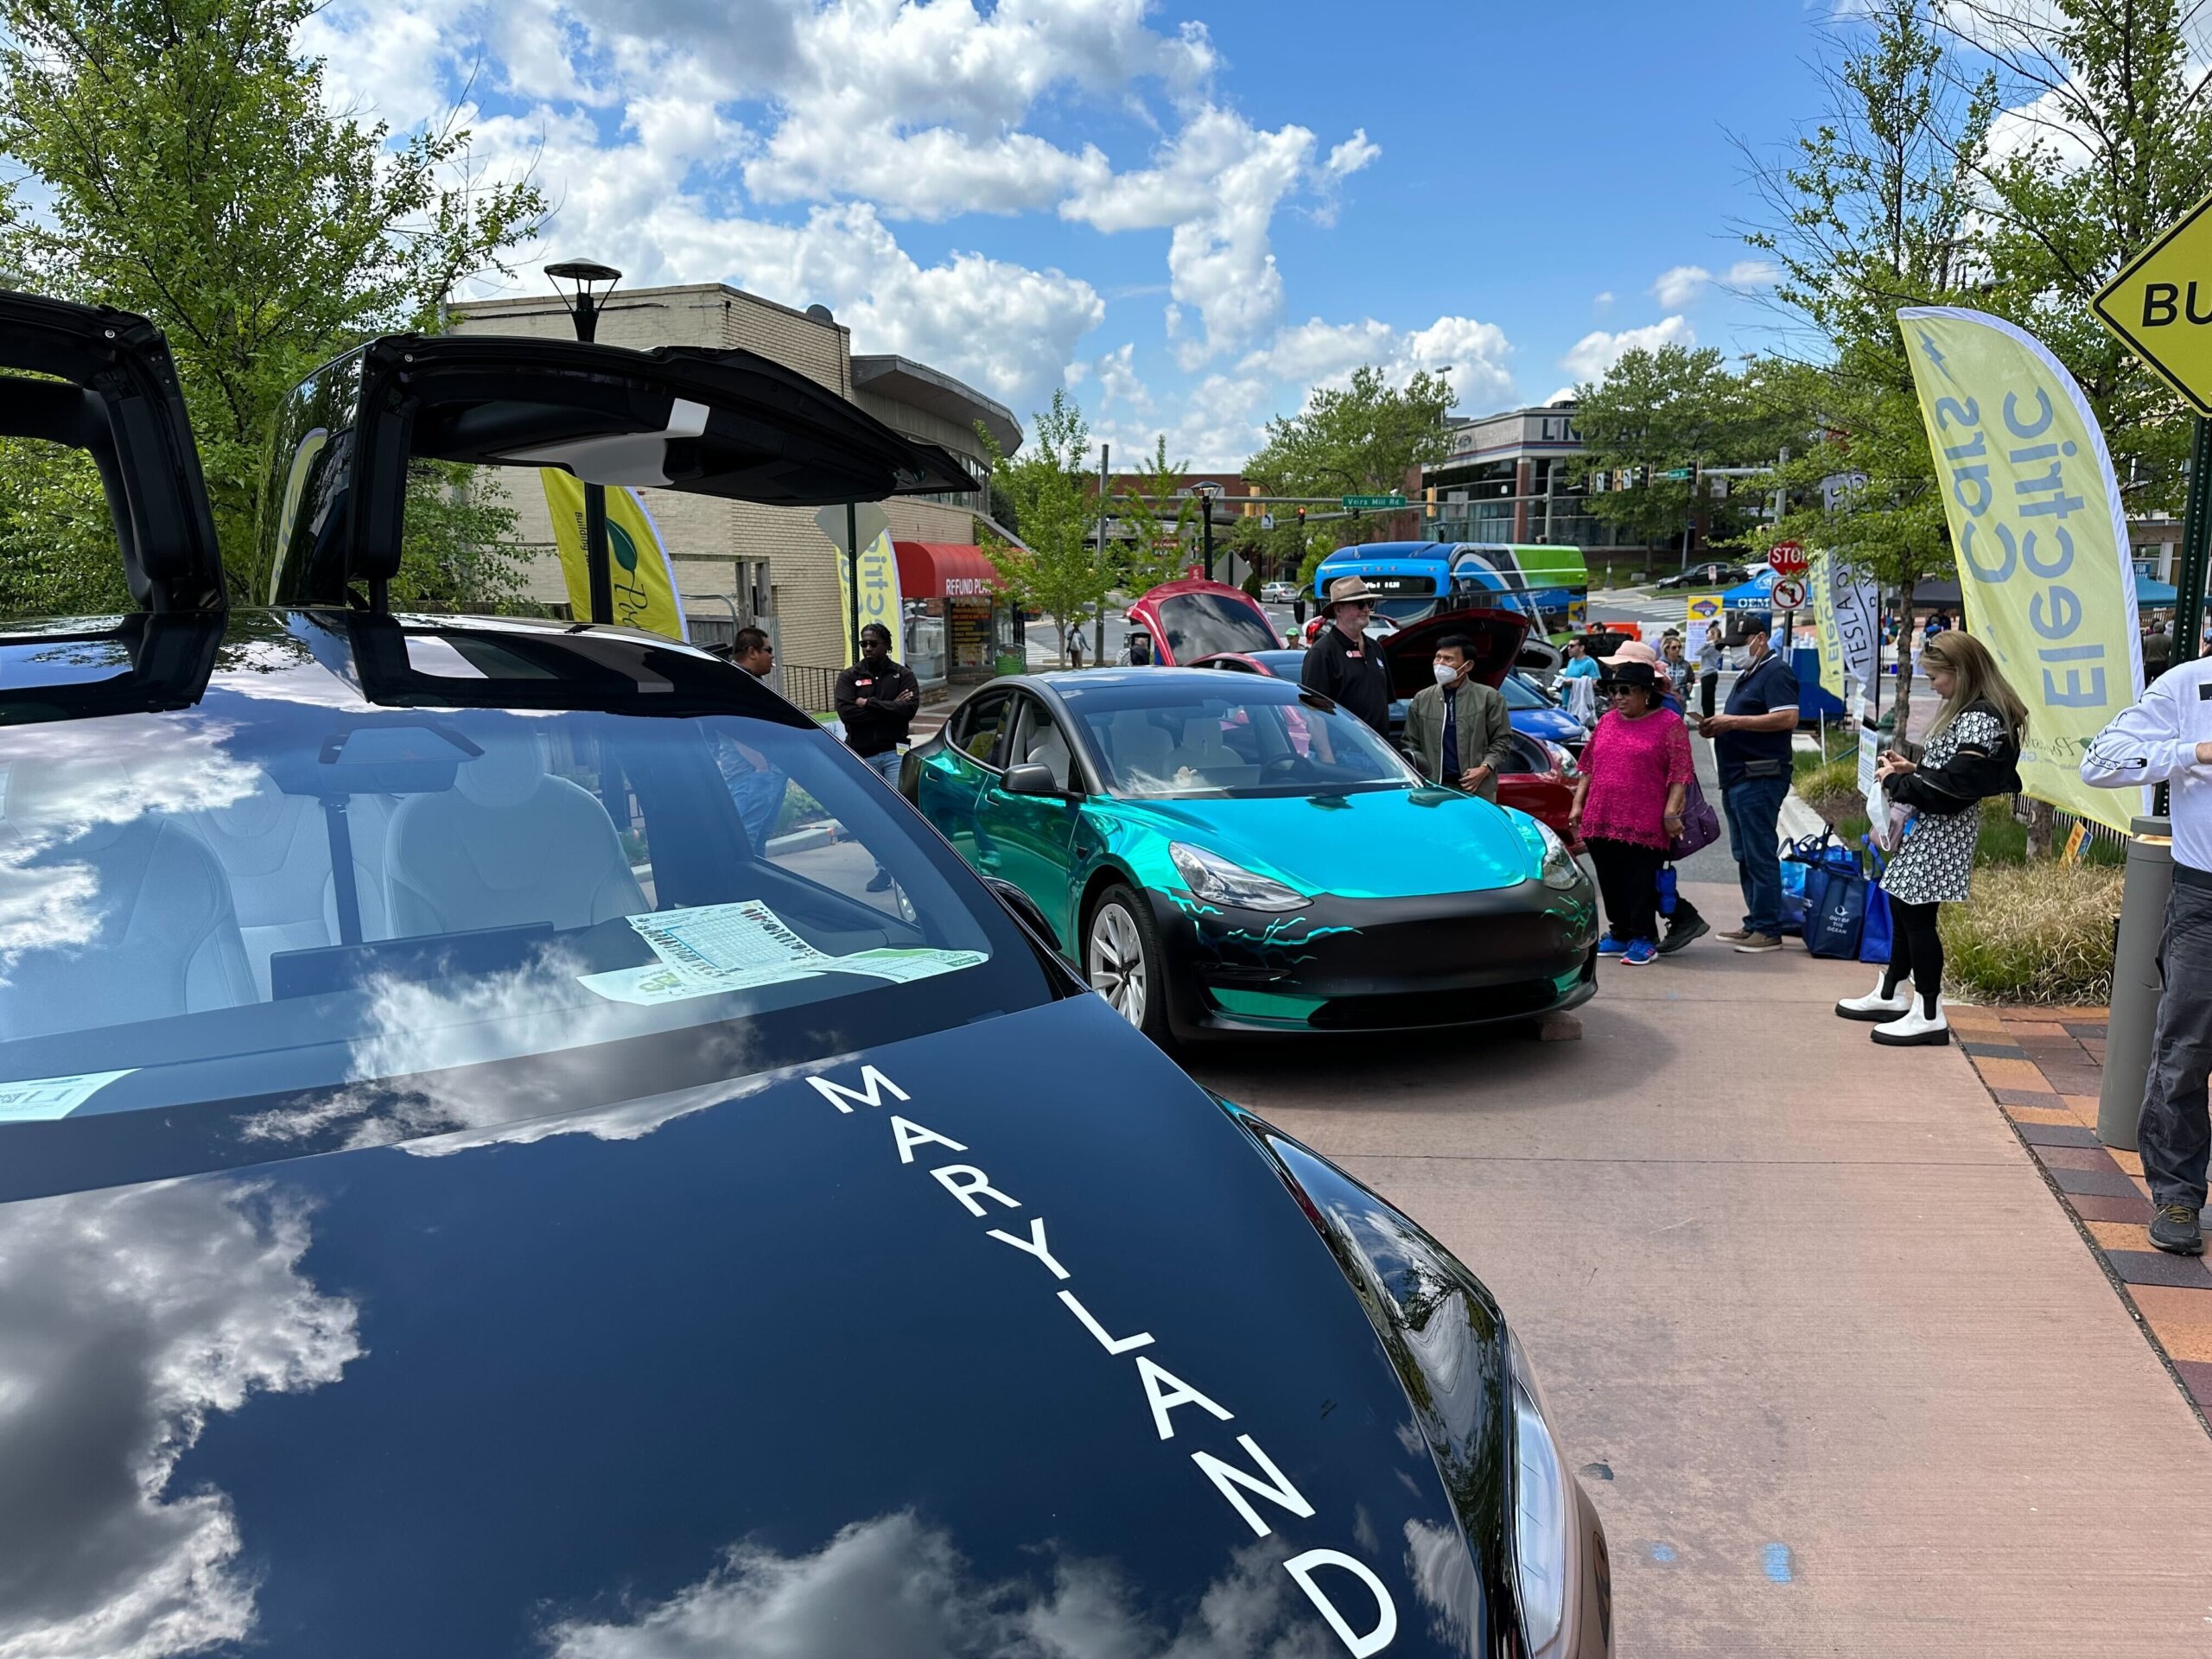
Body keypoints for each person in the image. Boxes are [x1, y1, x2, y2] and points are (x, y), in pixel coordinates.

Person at [2082, 646, 2212, 1255]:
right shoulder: (2189, 686)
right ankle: (2179, 1197)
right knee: (2185, 1049)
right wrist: (2191, 752)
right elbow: (2099, 762)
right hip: (2203, 899)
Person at [1834, 632, 2025, 1046]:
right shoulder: (1979, 714)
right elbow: (1953, 776)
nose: (1932, 685)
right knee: (1906, 911)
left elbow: (1954, 786)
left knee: (1915, 918)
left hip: (1941, 829)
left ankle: (1927, 1011)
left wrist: (1903, 780)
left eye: (1935, 676)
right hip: (1938, 828)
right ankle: (1894, 994)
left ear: (1961, 672)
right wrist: (1914, 769)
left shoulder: (1978, 717)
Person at [1567, 661, 1691, 967]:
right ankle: (1620, 932)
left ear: (1646, 693)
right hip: (1601, 814)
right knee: (1609, 879)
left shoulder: (1669, 724)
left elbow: (1680, 774)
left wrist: (1672, 813)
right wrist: (1577, 804)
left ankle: (1644, 938)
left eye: (1625, 690)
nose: (1617, 697)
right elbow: (1588, 767)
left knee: (1639, 881)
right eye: (1613, 691)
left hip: (1644, 818)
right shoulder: (1608, 721)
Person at [1694, 610, 1796, 953]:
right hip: (1739, 775)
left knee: (1759, 852)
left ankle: (1768, 928)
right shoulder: (1749, 673)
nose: (1734, 651)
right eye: (1730, 645)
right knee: (1745, 853)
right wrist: (1716, 726)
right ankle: (1756, 921)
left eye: (1740, 644)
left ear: (1760, 639)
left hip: (1760, 775)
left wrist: (1733, 722)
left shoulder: (1776, 672)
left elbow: (1786, 717)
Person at [834, 622, 920, 893]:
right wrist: (890, 706)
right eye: (864, 644)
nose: (868, 648)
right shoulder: (850, 677)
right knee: (876, 816)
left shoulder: (903, 675)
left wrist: (868, 703)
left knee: (897, 814)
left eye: (874, 643)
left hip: (895, 753)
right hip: (863, 756)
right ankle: (883, 871)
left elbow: (908, 711)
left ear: (887, 646)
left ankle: (907, 871)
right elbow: (847, 714)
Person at [1405, 634, 1513, 800]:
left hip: (1476, 787)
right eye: (1438, 657)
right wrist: (1423, 776)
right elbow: (1410, 743)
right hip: (1433, 788)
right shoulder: (1422, 698)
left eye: (1448, 659)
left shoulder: (1489, 697)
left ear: (1467, 665)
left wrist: (1485, 768)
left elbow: (1502, 740)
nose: (1440, 664)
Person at [1300, 575, 1391, 734]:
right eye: (1359, 604)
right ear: (1338, 609)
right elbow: (1315, 715)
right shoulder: (1322, 653)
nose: (1366, 609)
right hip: (1344, 753)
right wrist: (1327, 757)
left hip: (1379, 751)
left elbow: (1384, 703)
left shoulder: (1375, 648)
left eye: (1369, 604)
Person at [1695, 621, 1723, 720]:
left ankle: (1709, 718)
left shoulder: (1712, 647)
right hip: (1708, 674)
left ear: (1713, 636)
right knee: (1707, 698)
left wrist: (1707, 644)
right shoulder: (1713, 646)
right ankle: (1709, 717)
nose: (1706, 635)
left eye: (1708, 634)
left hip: (1709, 674)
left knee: (1707, 699)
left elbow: (1699, 652)